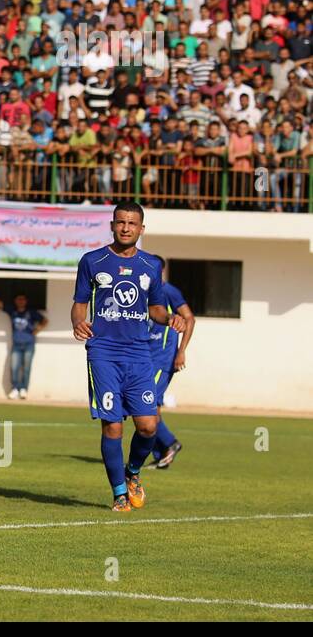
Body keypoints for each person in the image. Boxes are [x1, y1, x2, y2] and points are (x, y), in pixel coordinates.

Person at [71, 201, 185, 512]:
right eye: (120, 222)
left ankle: (133, 473)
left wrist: (170, 319)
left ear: (141, 229)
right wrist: (77, 322)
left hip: (139, 353)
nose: (125, 228)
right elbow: (80, 302)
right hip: (103, 352)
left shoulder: (151, 266)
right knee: (113, 427)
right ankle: (119, 493)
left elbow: (157, 309)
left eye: (132, 223)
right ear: (112, 225)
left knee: (148, 425)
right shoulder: (92, 261)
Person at [145, 255, 194, 469]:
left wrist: (181, 351)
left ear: (161, 271)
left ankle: (171, 443)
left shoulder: (169, 292)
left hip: (163, 358)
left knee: (146, 405)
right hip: (147, 357)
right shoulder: (144, 293)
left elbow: (190, 318)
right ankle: (161, 454)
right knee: (150, 406)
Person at [4, 292, 46, 399]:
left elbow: (45, 320)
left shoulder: (31, 312)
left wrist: (37, 330)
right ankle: (14, 389)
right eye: (19, 299)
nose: (21, 301)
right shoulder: (13, 312)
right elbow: (0, 304)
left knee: (26, 368)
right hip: (16, 344)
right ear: (15, 301)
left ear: (26, 301)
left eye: (23, 299)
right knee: (14, 367)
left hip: (29, 344)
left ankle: (23, 389)